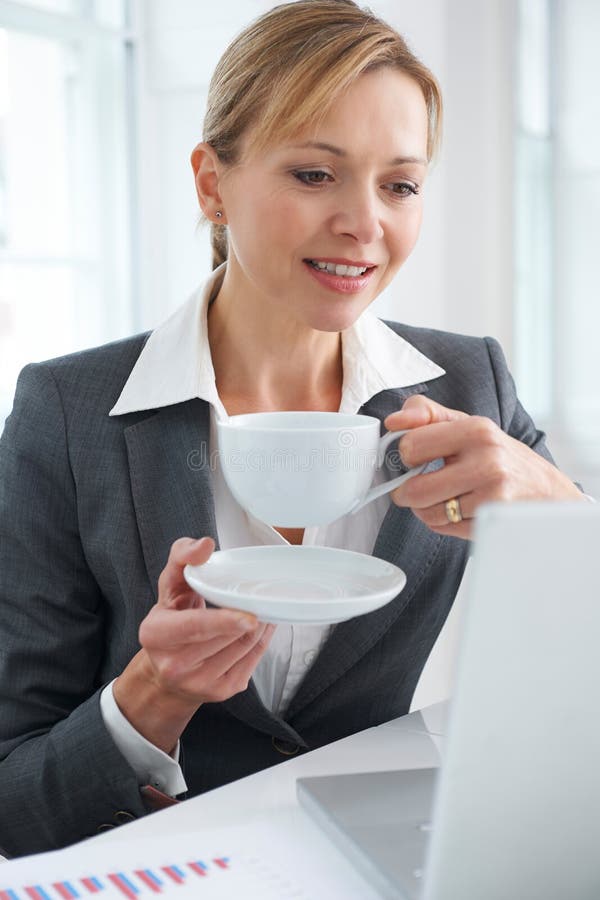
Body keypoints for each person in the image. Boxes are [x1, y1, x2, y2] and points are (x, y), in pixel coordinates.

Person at [0, 0, 584, 858]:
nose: (364, 223)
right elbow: (12, 797)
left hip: (392, 860)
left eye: (400, 184)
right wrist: (153, 694)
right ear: (212, 184)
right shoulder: (68, 412)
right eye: (316, 174)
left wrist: (554, 497)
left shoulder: (471, 385)